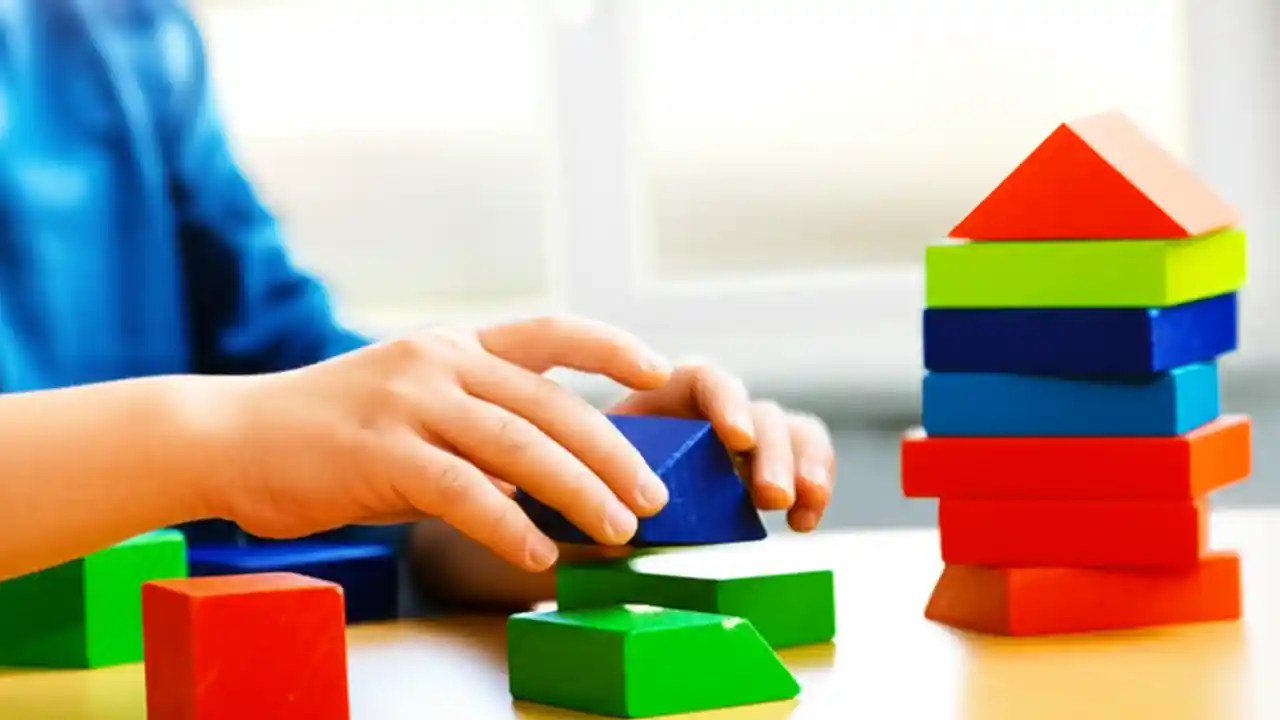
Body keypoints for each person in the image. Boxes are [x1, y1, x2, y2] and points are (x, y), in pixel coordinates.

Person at [0, 0, 835, 607]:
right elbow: (265, 431)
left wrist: (589, 478)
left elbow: (363, 456)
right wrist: (227, 438)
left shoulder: (117, 35)